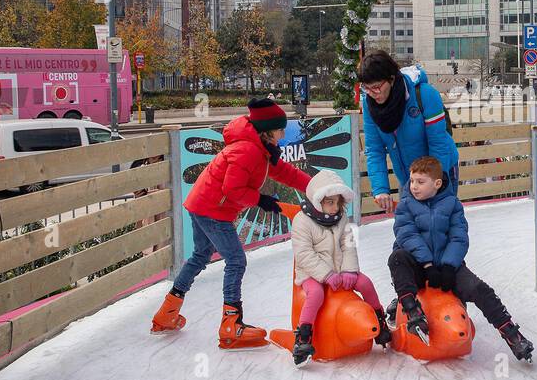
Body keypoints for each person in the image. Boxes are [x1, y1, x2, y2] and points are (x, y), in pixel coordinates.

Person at [150, 98, 311, 348]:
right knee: (236, 260)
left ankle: (167, 312)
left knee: (200, 256)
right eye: (281, 129)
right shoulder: (248, 150)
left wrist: (315, 185)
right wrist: (262, 200)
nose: (283, 132)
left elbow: (286, 173)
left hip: (201, 203)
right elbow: (233, 189)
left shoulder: (260, 148)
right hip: (213, 208)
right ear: (268, 130)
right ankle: (231, 324)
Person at [387, 156, 534, 361]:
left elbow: (459, 237)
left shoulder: (452, 205)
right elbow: (407, 235)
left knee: (479, 288)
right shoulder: (405, 205)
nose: (414, 187)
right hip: (418, 265)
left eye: (421, 182)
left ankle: (511, 333)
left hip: (448, 267)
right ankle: (413, 313)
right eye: (412, 181)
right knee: (397, 258)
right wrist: (428, 265)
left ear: (437, 183)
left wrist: (448, 266)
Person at [290, 169, 390, 366]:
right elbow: (304, 255)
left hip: (340, 270)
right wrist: (326, 275)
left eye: (338, 202)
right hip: (311, 273)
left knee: (365, 283)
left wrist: (349, 270)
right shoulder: (302, 221)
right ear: (317, 201)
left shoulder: (341, 218)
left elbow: (348, 244)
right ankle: (303, 337)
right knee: (316, 294)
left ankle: (380, 321)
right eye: (330, 202)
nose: (335, 208)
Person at [359, 50, 458, 214]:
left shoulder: (425, 94)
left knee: (438, 224)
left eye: (376, 87)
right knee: (410, 227)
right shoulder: (370, 106)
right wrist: (381, 189)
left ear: (391, 79)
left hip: (441, 169)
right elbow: (374, 150)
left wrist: (433, 183)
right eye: (366, 88)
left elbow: (438, 143)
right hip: (408, 177)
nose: (372, 94)